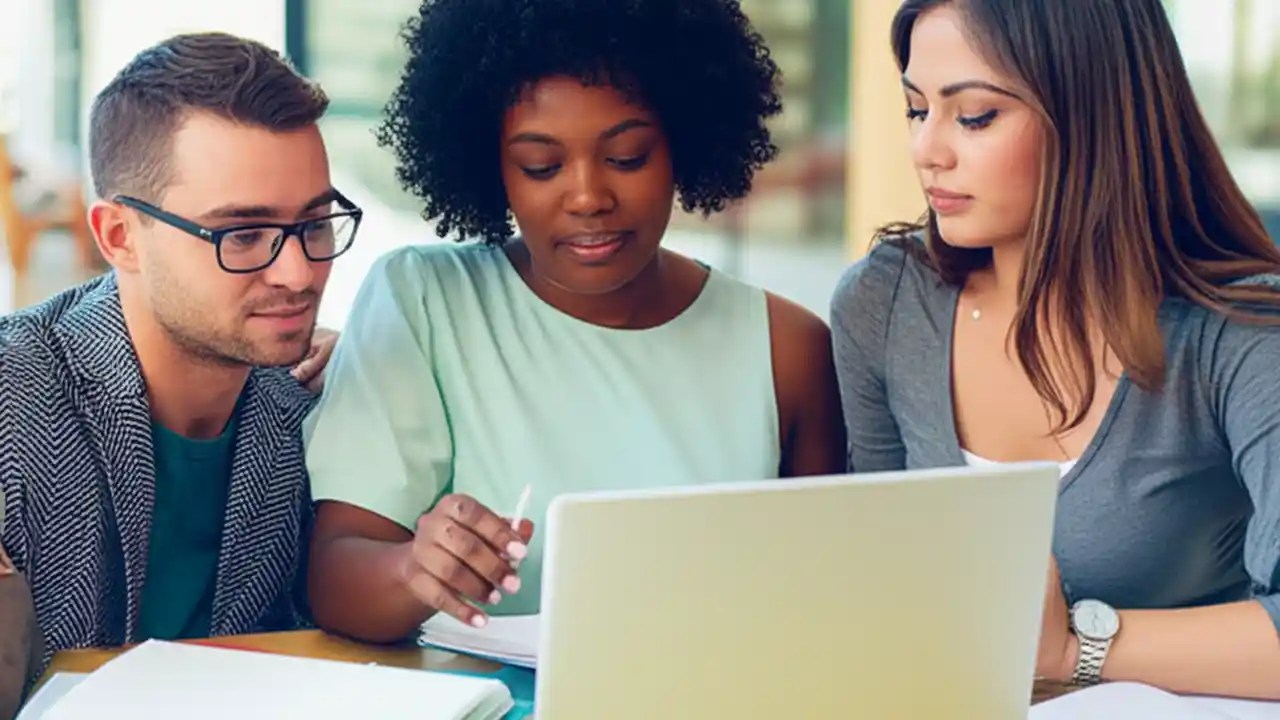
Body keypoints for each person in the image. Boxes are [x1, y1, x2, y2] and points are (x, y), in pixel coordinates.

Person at [305, 0, 846, 643]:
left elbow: (824, 606)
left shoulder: (787, 351)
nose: (588, 197)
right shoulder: (422, 301)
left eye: (628, 157)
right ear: (491, 166)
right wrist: (413, 570)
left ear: (684, 143)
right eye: (542, 166)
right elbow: (335, 579)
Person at [831, 0, 1280, 700]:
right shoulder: (885, 304)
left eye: (974, 116)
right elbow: (875, 586)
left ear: (1092, 115)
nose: (926, 150)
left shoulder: (1240, 330)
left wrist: (1076, 647)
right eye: (917, 109)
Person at [0, 31, 355, 709]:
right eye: (242, 235)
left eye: (314, 224)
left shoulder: (318, 407)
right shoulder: (14, 398)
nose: (298, 273)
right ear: (119, 237)